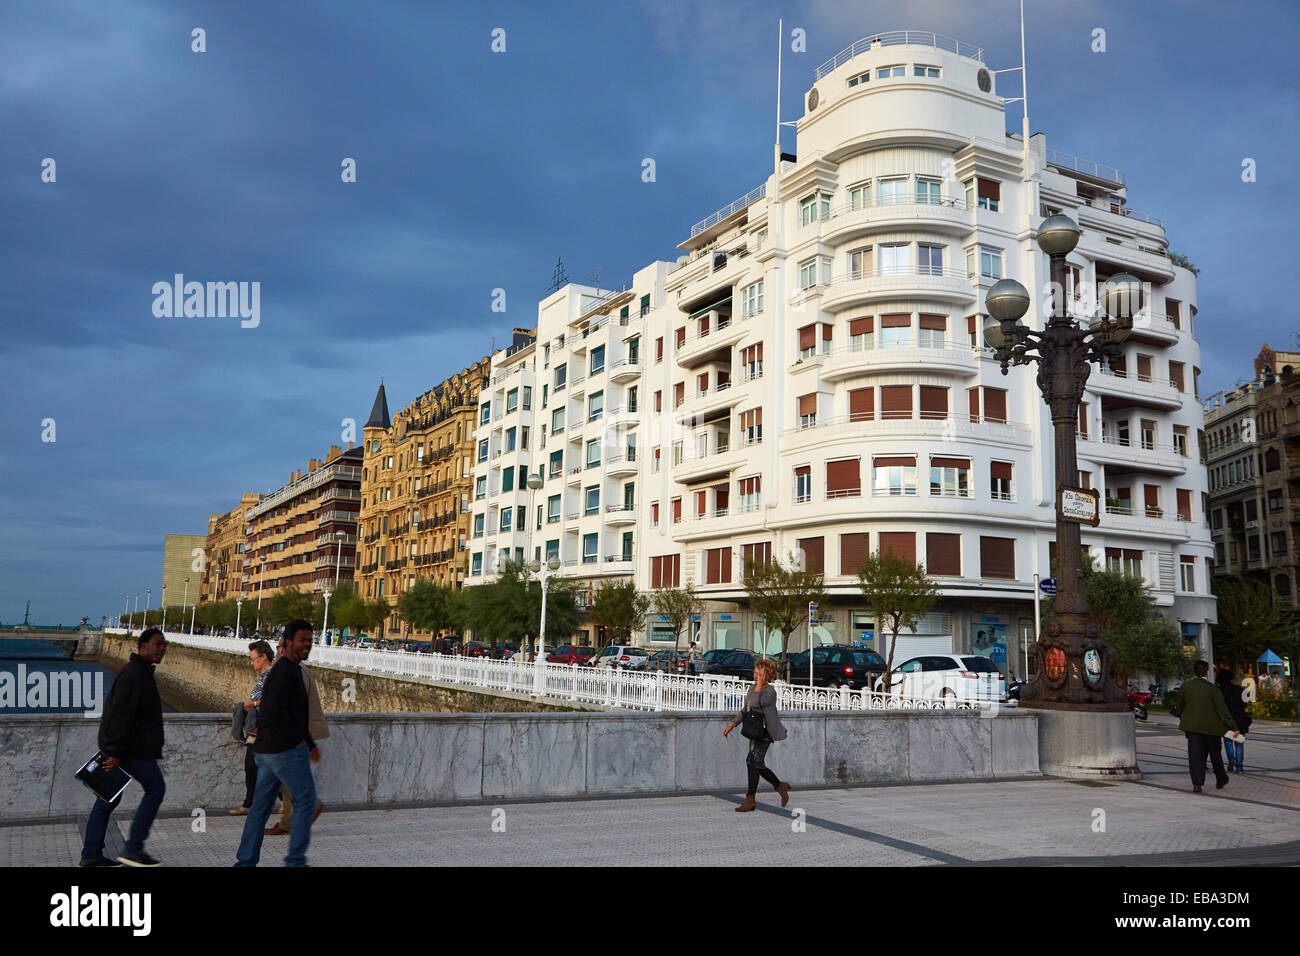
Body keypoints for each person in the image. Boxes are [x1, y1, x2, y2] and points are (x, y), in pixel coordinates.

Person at [235, 620, 320, 867]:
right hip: (283, 750)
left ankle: (245, 862)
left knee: (259, 810)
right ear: (288, 642)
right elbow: (276, 712)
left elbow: (291, 713)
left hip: (266, 750)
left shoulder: (287, 670)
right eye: (302, 640)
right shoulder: (286, 673)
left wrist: (309, 743)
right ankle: (295, 861)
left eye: (309, 639)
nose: (307, 644)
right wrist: (301, 742)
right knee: (307, 801)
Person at [81, 627, 167, 867]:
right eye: (158, 644)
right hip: (131, 751)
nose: (162, 649)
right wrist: (115, 752)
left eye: (164, 645)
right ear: (142, 646)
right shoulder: (134, 675)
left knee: (108, 800)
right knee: (156, 789)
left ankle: (90, 855)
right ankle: (132, 848)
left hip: (129, 750)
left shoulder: (141, 673)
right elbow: (119, 715)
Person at [266, 634, 327, 836]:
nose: (278, 652)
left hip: (293, 735)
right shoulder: (295, 670)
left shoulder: (295, 671)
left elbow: (291, 707)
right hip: (296, 733)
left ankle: (297, 816)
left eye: (280, 647)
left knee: (285, 776)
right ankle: (290, 821)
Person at [722, 658, 790, 812]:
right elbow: (745, 710)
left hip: (765, 732)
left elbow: (758, 702)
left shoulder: (770, 691)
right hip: (754, 730)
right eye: (755, 673)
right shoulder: (752, 689)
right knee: (755, 763)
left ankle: (750, 799)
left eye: (760, 674)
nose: (756, 676)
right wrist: (731, 725)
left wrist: (759, 685)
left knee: (753, 761)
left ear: (767, 675)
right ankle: (779, 786)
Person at [1177, 660, 1236, 793]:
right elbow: (1222, 710)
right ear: (1207, 672)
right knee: (1215, 755)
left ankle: (1197, 783)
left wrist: (1185, 718)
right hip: (1212, 728)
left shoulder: (1186, 687)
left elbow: (1180, 706)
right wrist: (1233, 726)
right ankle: (1221, 778)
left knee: (1195, 755)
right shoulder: (1213, 689)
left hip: (1192, 728)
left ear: (1194, 671)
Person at [230, 640, 274, 815]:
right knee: (255, 766)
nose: (251, 662)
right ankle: (251, 804)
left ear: (263, 657)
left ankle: (251, 805)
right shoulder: (265, 676)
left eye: (253, 658)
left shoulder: (271, 676)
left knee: (254, 766)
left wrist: (252, 703)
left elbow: (273, 701)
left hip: (264, 729)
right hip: (259, 728)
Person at [1216, 667, 1251, 773]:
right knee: (1239, 743)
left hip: (1226, 720)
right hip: (1239, 719)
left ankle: (1231, 760)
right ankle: (1239, 767)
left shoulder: (1218, 691)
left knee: (1227, 741)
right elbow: (1244, 703)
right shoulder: (1239, 689)